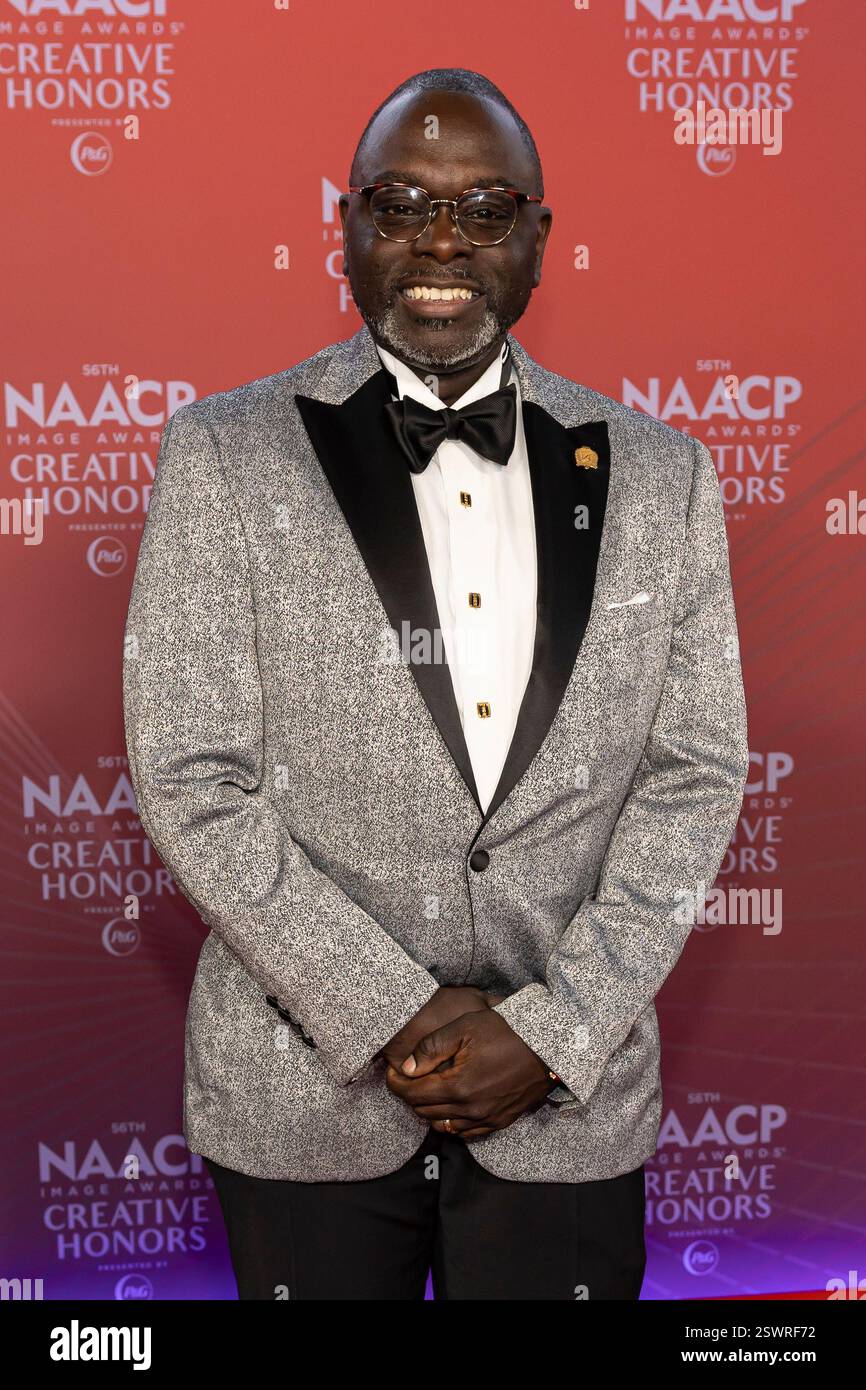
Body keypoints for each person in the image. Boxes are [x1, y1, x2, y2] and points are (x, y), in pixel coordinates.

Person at [122, 67, 749, 1301]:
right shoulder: (222, 456)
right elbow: (191, 772)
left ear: (538, 236)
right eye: (401, 205)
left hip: (564, 1106)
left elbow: (693, 774)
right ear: (346, 227)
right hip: (306, 1091)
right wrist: (387, 1010)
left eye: (486, 208)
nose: (443, 243)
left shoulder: (666, 477)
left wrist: (553, 1030)